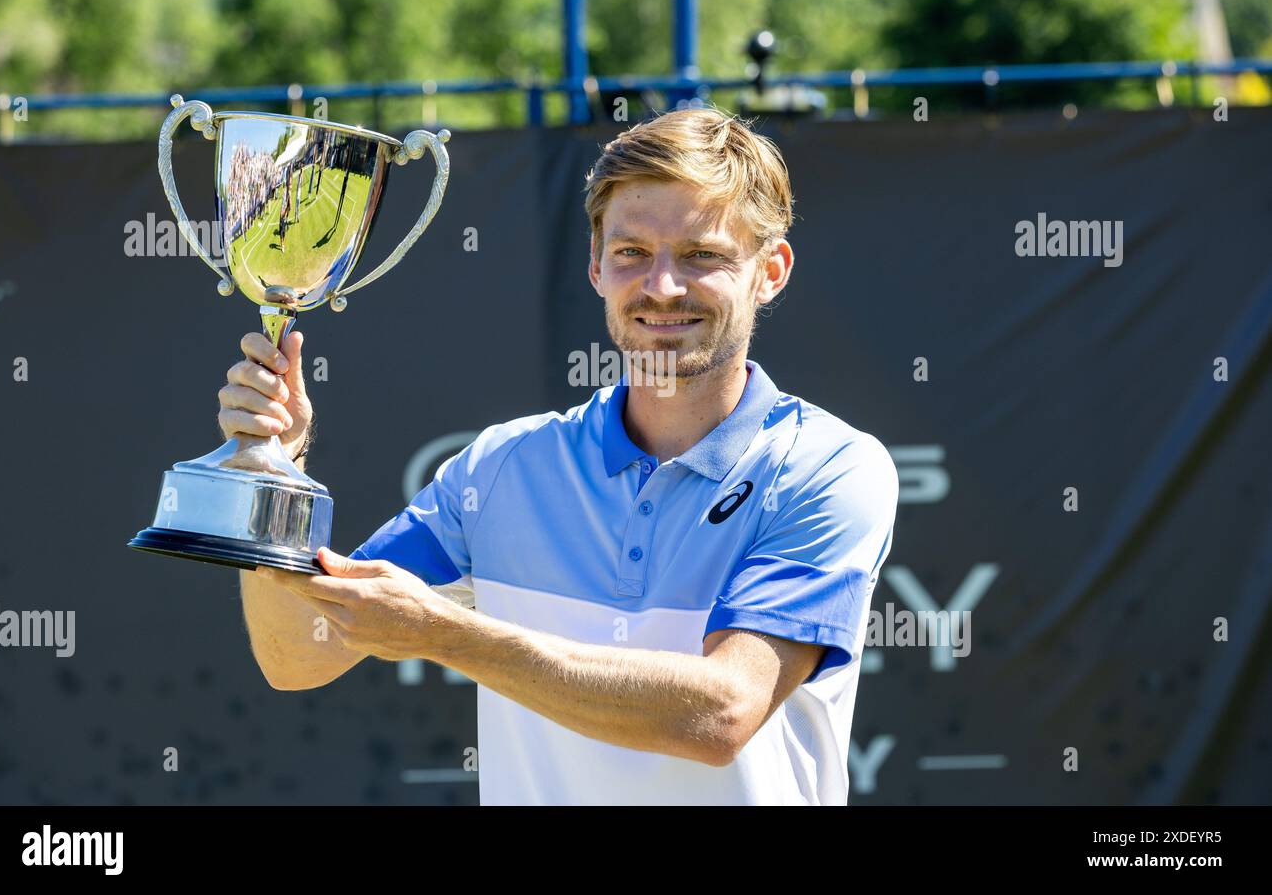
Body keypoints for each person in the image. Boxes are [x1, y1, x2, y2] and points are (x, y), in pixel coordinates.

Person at [217, 107, 899, 805]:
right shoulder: (501, 468)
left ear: (771, 271)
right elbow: (295, 653)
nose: (662, 286)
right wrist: (274, 467)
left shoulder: (830, 467)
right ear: (597, 265)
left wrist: (446, 634)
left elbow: (720, 714)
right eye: (633, 252)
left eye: (702, 255)